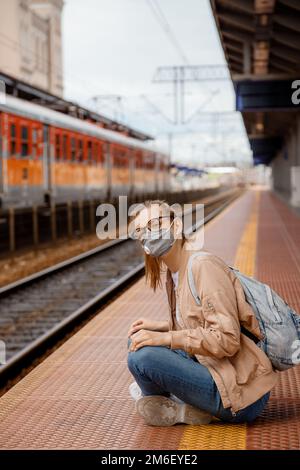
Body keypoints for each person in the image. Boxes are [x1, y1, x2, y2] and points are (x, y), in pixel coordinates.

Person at [127, 199, 278, 427]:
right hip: (215, 371)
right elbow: (198, 324)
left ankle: (168, 402)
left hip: (240, 395)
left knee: (141, 358)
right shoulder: (174, 273)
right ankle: (177, 404)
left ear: (175, 227)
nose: (148, 233)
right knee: (137, 339)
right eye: (140, 230)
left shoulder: (203, 267)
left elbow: (227, 340)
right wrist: (163, 327)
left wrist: (167, 338)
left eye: (155, 224)